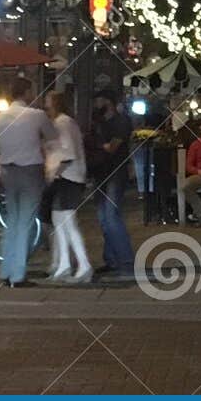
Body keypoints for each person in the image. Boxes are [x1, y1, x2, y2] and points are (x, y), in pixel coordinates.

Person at [0, 78, 55, 287]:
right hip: (30, 170)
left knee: (12, 221)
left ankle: (6, 270)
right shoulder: (36, 115)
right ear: (27, 92)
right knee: (25, 222)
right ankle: (18, 275)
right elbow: (53, 138)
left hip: (8, 171)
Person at [42, 92, 92, 283]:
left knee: (67, 222)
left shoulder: (63, 123)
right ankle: (64, 264)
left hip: (67, 178)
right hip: (66, 177)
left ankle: (83, 265)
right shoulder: (63, 123)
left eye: (48, 102)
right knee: (60, 221)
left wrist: (54, 173)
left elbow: (68, 154)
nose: (45, 106)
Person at [88, 88, 135, 276]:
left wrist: (96, 145)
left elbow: (112, 147)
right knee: (103, 218)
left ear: (107, 102)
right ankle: (111, 259)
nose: (95, 105)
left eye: (98, 100)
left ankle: (125, 260)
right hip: (100, 173)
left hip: (116, 172)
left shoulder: (121, 121)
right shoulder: (98, 122)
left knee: (111, 215)